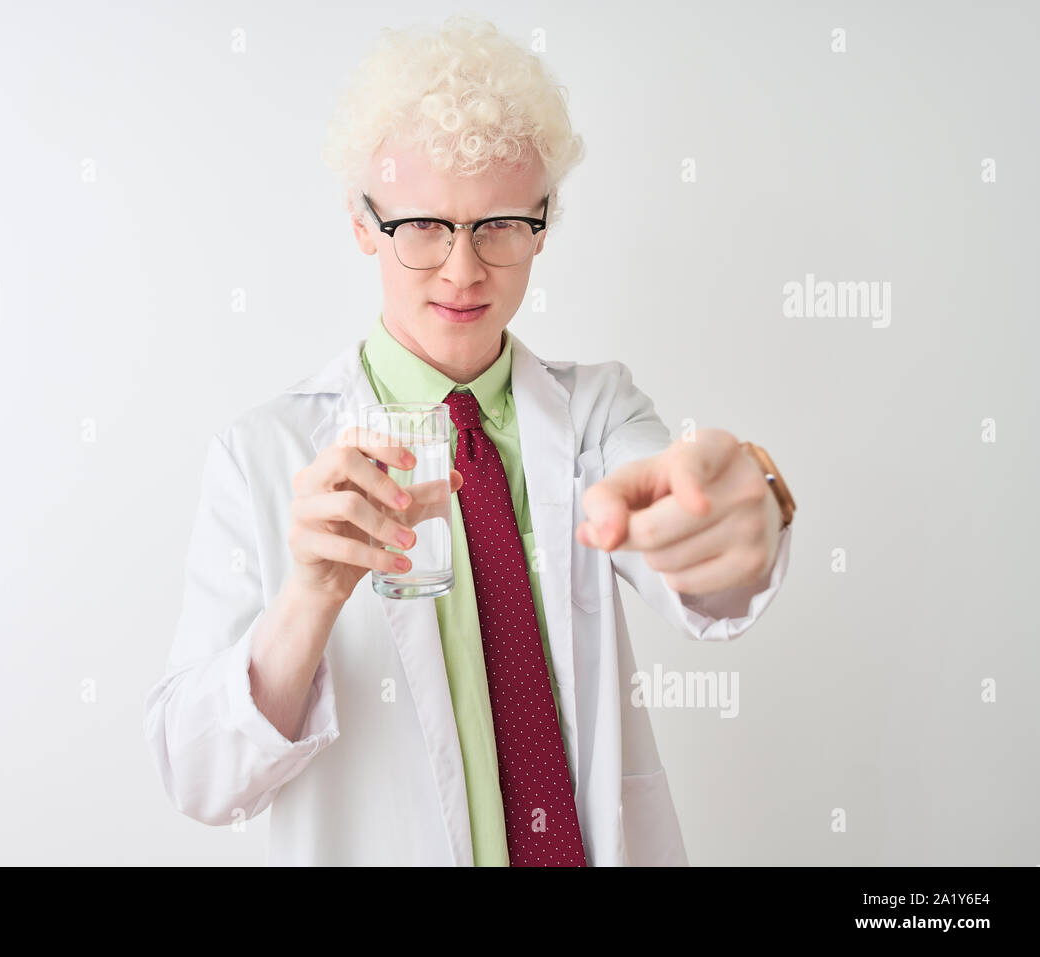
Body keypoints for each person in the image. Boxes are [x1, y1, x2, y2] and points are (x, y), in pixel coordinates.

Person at [144, 15, 795, 866]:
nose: (462, 268)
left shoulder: (596, 411)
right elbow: (199, 779)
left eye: (499, 224)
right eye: (422, 225)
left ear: (544, 222)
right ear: (361, 222)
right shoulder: (265, 453)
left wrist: (741, 514)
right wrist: (306, 597)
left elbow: (680, 535)